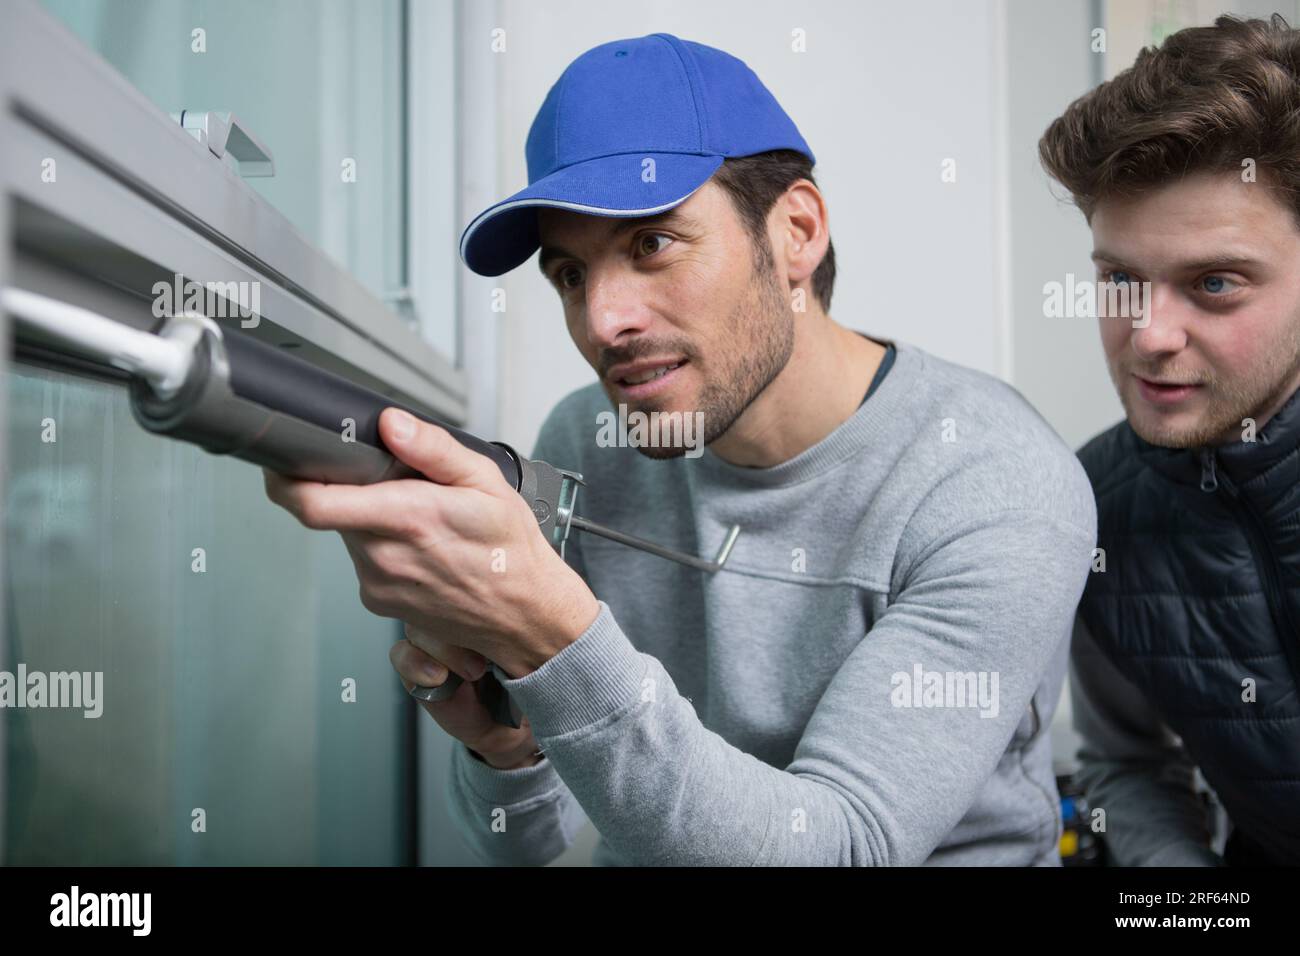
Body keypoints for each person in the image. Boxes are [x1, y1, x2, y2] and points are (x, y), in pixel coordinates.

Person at [265, 32, 1096, 865]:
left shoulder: (993, 482)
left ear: (796, 232)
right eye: (570, 275)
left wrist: (553, 637)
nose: (602, 322)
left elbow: (843, 850)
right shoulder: (585, 442)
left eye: (651, 245)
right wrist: (507, 746)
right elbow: (522, 849)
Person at [1039, 13, 1300, 866]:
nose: (1147, 334)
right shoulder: (1094, 505)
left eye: (1214, 283)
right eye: (1119, 279)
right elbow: (1128, 763)